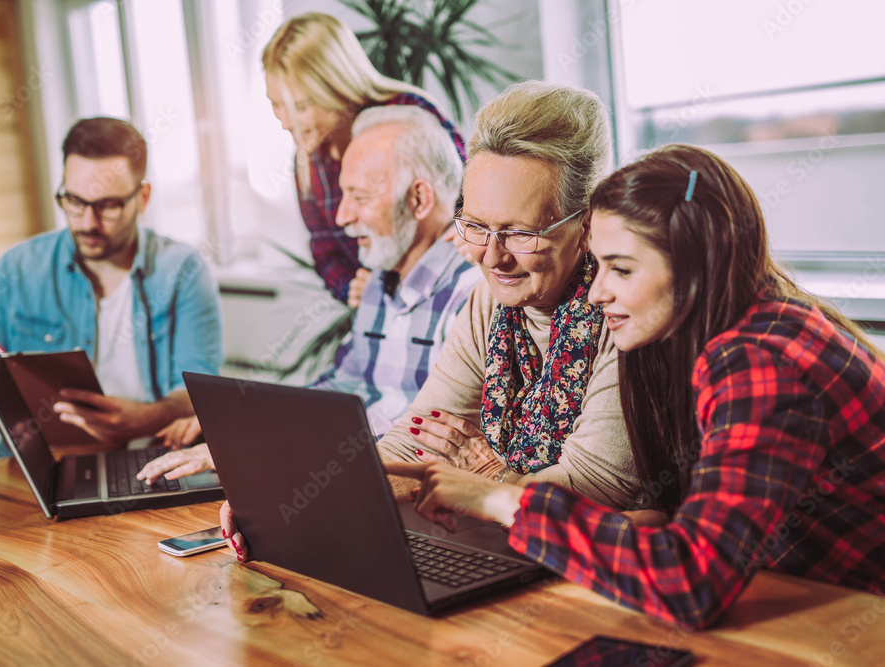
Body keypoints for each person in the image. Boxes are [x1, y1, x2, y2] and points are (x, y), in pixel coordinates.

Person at [388, 143, 885, 629]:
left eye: (621, 269)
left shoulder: (757, 362)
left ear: (697, 265)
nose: (599, 292)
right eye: (598, 265)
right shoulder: (753, 322)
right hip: (806, 610)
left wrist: (500, 499)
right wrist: (650, 525)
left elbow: (689, 585)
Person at [221, 81, 647, 561]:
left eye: (520, 233)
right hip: (521, 548)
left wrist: (491, 481)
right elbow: (413, 442)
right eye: (476, 225)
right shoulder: (491, 303)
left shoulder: (624, 313)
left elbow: (593, 489)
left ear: (587, 223)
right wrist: (285, 499)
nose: (491, 258)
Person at [137, 105, 480, 483]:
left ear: (418, 200)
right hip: (349, 475)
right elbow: (343, 390)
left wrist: (265, 447)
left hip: (406, 491)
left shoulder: (472, 295)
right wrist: (241, 425)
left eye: (360, 197)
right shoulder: (378, 282)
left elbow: (431, 439)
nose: (342, 217)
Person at [0, 117, 224, 459]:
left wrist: (140, 421)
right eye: (74, 201)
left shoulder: (183, 271)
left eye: (108, 206)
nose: (88, 222)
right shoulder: (17, 269)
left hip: (148, 459)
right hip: (37, 464)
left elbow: (199, 391)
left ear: (142, 197)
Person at [263, 12, 465, 306]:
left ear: (336, 85)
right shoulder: (308, 160)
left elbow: (472, 192)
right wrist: (351, 287)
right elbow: (323, 247)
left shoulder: (409, 115)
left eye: (301, 106)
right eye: (275, 105)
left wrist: (473, 233)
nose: (285, 121)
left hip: (448, 293)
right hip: (383, 309)